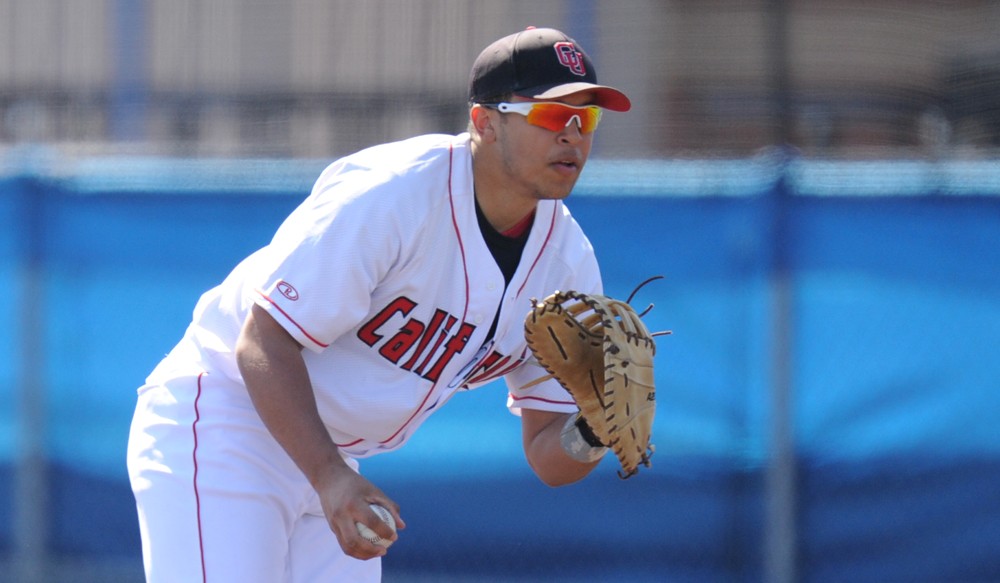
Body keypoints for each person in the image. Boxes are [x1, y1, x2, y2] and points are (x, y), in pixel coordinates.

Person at [126, 26, 631, 582]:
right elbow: (263, 339)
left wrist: (594, 429)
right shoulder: (394, 194)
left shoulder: (568, 265)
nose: (574, 137)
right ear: (485, 121)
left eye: (588, 120)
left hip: (331, 456)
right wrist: (328, 476)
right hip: (228, 415)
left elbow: (545, 453)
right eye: (554, 116)